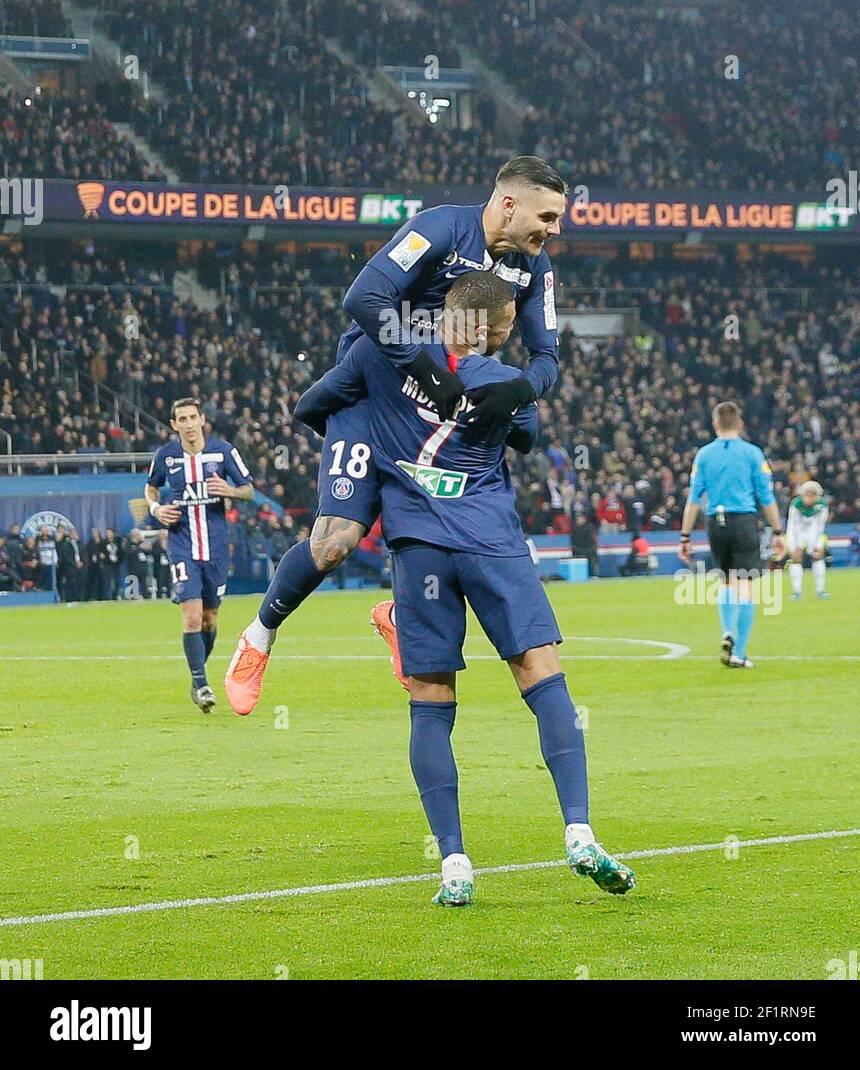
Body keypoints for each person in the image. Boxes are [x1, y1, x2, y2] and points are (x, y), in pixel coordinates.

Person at [290, 271, 635, 905]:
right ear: (487, 326)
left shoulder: (379, 361)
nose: (510, 337)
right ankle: (579, 831)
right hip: (491, 542)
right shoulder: (501, 381)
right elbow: (527, 435)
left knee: (430, 699)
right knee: (542, 675)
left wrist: (366, 439)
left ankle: (453, 864)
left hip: (419, 548)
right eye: (505, 327)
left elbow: (312, 405)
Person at [226, 156, 567, 712]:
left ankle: (400, 615)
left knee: (442, 527)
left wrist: (521, 390)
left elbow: (547, 356)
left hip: (446, 401)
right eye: (548, 216)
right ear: (509, 203)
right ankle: (258, 637)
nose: (554, 230)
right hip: (379, 388)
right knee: (336, 540)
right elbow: (364, 299)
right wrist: (419, 365)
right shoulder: (439, 229)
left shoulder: (535, 270)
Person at [145, 397, 254, 713]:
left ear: (202, 419)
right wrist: (156, 509)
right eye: (182, 419)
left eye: (193, 417)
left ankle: (197, 679)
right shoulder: (166, 456)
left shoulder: (223, 451)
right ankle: (203, 684)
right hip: (182, 545)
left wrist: (230, 491)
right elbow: (151, 488)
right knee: (192, 616)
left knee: (210, 618)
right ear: (174, 424)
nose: (189, 423)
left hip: (217, 548)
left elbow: (247, 489)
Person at [679, 402, 785, 669]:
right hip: (743, 520)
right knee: (746, 584)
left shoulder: (704, 455)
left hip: (715, 522)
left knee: (726, 581)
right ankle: (739, 652)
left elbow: (694, 498)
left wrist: (685, 536)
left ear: (715, 424)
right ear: (740, 424)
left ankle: (727, 630)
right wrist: (778, 530)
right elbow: (765, 496)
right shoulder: (752, 453)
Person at [785, 480, 830, 600]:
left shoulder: (823, 505)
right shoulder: (795, 504)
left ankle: (820, 590)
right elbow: (792, 525)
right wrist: (796, 545)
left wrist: (818, 544)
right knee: (796, 558)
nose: (809, 498)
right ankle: (797, 591)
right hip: (796, 533)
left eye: (813, 495)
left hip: (814, 532)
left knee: (817, 556)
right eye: (807, 495)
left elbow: (821, 526)